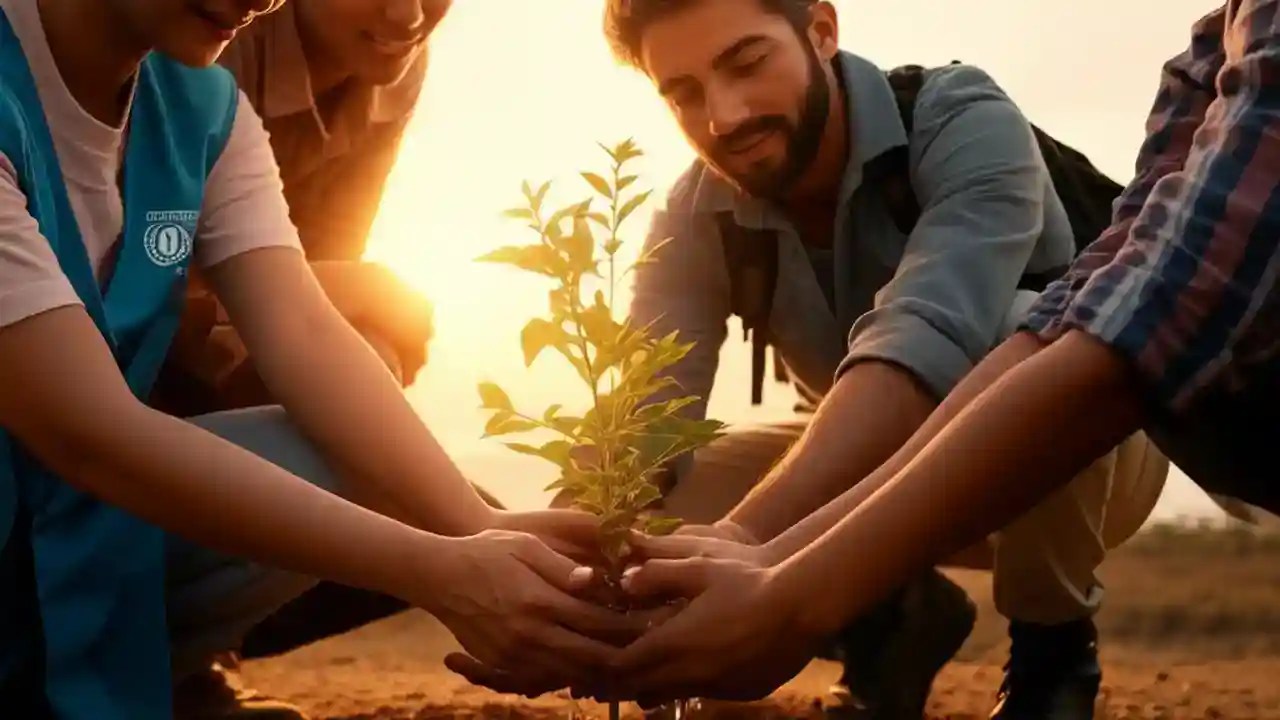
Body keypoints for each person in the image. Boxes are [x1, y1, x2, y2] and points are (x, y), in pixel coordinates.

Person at [554, 0, 1280, 713]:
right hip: (860, 475)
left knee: (1026, 331)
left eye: (747, 63)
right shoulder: (692, 217)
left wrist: (750, 544)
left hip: (1073, 454)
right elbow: (649, 416)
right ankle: (892, 618)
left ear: (822, 30)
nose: (726, 117)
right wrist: (548, 567)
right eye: (683, 94)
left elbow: (920, 345)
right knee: (651, 508)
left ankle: (1052, 652)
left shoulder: (963, 119)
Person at [0, 1, 627, 719]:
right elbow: (89, 434)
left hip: (64, 531)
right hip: (44, 495)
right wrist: (436, 573)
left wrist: (482, 531)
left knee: (333, 449)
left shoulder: (201, 109)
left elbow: (303, 331)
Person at [145, 1, 480, 706]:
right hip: (104, 374)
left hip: (214, 342)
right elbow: (120, 288)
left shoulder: (395, 57)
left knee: (371, 378)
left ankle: (184, 663)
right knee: (362, 459)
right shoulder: (199, 37)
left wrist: (480, 535)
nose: (410, 13)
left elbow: (314, 296)